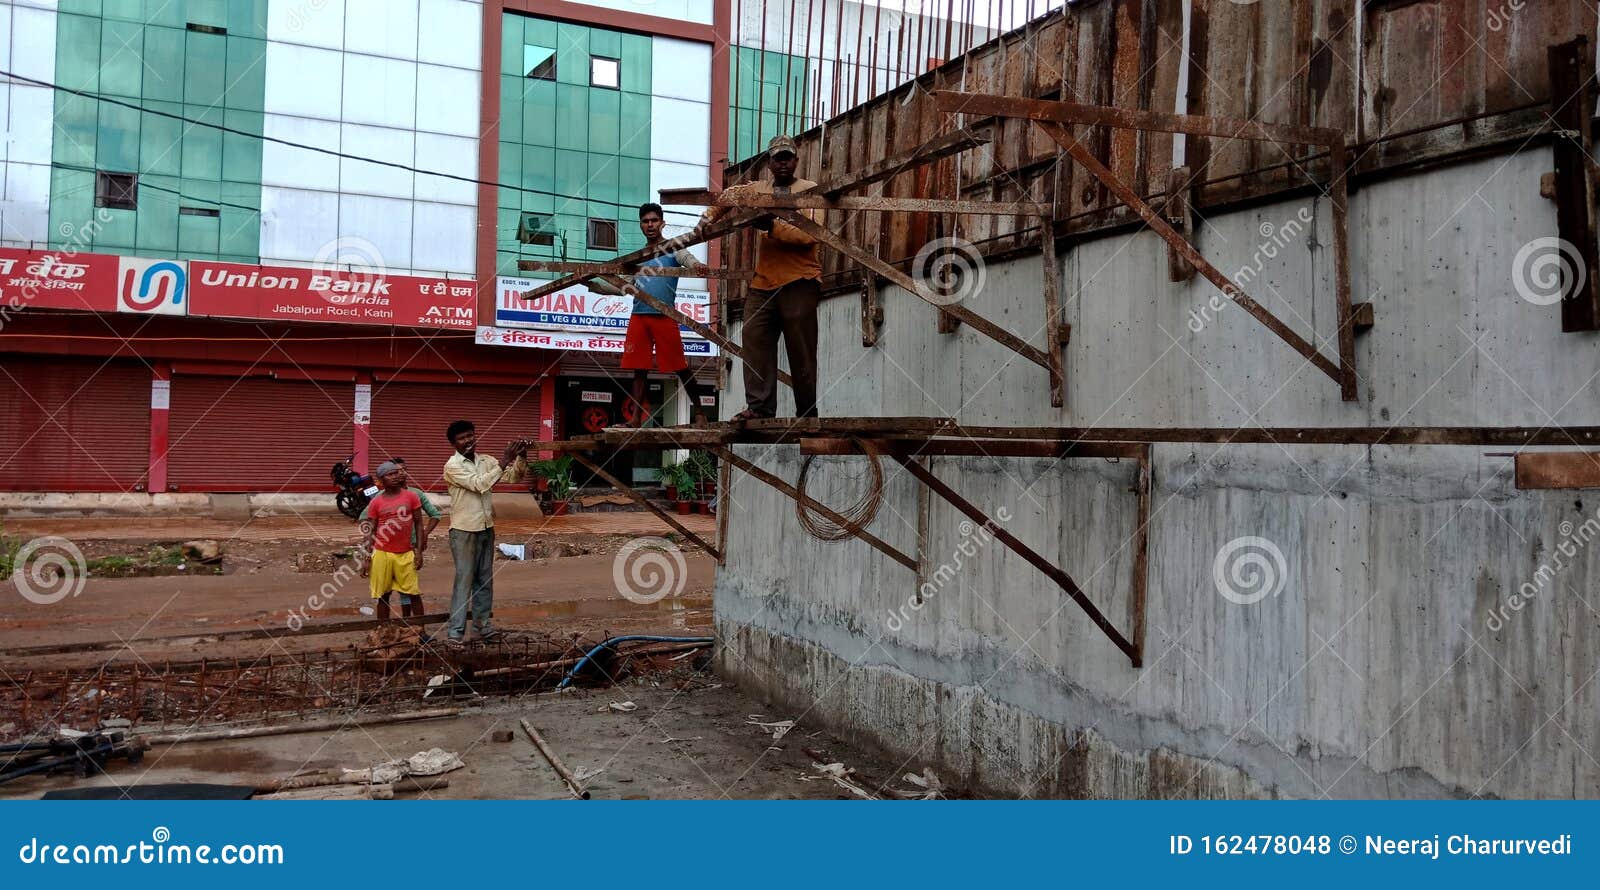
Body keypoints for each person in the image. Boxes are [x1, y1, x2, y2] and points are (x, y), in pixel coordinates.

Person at [701, 134, 822, 420]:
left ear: (795, 160)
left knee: (801, 349)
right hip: (764, 283)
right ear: (769, 162)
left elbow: (809, 235)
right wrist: (708, 218)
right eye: (777, 158)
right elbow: (728, 196)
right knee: (754, 338)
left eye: (787, 158)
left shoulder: (810, 190)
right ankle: (760, 408)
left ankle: (807, 412)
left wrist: (772, 226)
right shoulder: (759, 189)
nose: (782, 163)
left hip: (800, 280)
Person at [588, 203, 710, 426]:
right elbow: (623, 287)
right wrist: (594, 286)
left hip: (664, 314)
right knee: (639, 369)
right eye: (646, 221)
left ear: (662, 223)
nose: (650, 225)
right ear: (641, 225)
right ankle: (635, 418)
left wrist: (698, 265)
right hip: (639, 314)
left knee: (680, 366)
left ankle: (700, 412)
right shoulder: (639, 256)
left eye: (654, 220)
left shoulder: (673, 247)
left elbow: (688, 260)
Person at [442, 420, 529, 647]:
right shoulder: (452, 466)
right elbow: (480, 484)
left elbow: (513, 477)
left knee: (484, 581)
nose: (468, 440)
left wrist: (521, 456)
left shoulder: (487, 460)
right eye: (462, 438)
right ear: (453, 443)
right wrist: (505, 460)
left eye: (470, 435)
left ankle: (482, 628)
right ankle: (455, 633)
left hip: (486, 527)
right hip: (463, 530)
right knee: (464, 581)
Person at [359, 460, 425, 623]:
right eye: (390, 474)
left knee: (413, 594)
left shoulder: (412, 497)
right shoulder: (376, 502)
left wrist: (419, 551)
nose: (396, 476)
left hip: (406, 553)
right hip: (382, 554)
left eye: (396, 473)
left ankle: (419, 631)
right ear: (381, 481)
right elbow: (370, 531)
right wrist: (366, 558)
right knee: (383, 595)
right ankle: (383, 631)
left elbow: (418, 523)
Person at [357, 457, 442, 564]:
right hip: (385, 548)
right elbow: (364, 518)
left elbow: (435, 515)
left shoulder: (416, 494)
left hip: (410, 546)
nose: (401, 473)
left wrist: (424, 534)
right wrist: (370, 544)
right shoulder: (380, 497)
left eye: (404, 470)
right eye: (395, 472)